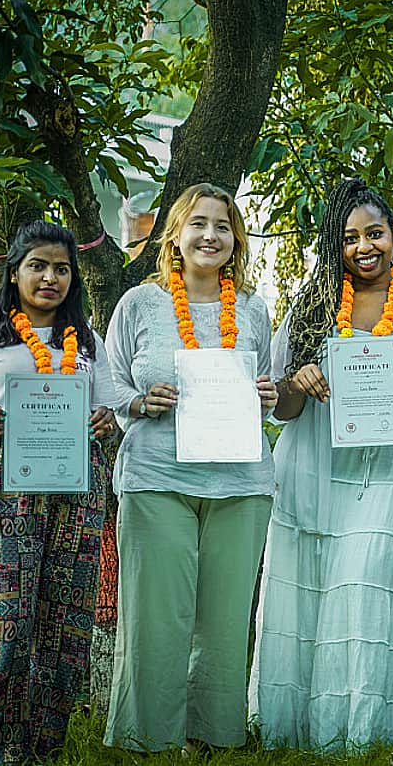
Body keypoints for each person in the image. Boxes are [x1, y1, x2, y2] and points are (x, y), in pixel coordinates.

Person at [248, 178, 393, 750]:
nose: (365, 247)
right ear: (335, 246)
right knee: (311, 593)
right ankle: (297, 730)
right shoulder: (309, 307)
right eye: (350, 237)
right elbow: (281, 406)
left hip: (390, 475)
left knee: (365, 586)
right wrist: (297, 383)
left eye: (375, 234)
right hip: (313, 471)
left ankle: (363, 732)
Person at [0, 221, 117, 764]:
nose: (50, 277)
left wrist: (105, 421)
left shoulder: (87, 342)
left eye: (61, 268)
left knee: (63, 627)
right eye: (37, 265)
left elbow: (105, 414)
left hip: (76, 495)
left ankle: (39, 754)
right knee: (4, 623)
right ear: (14, 273)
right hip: (1, 494)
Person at [102, 183, 278, 754]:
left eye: (222, 226)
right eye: (197, 224)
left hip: (240, 483)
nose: (210, 235)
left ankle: (215, 737)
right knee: (156, 616)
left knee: (226, 620)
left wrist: (266, 396)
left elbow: (266, 384)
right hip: (158, 478)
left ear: (235, 239)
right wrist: (137, 402)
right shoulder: (140, 303)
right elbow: (108, 387)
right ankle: (148, 738)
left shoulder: (252, 308)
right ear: (174, 235)